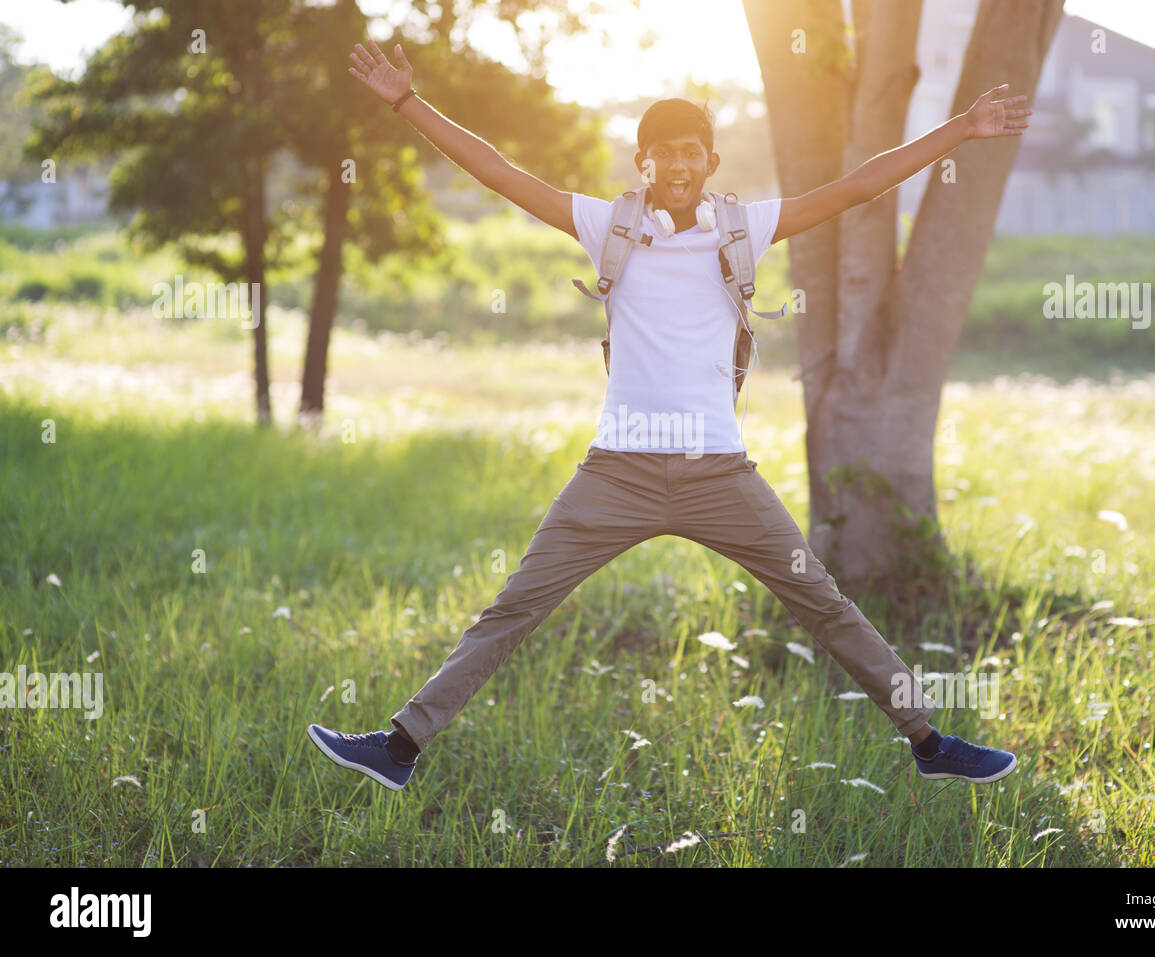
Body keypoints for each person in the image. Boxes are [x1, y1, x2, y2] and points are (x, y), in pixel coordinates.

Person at [308, 38, 1032, 792]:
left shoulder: (741, 228)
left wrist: (963, 128)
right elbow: (500, 172)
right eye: (662, 154)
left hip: (720, 473)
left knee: (823, 599)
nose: (678, 166)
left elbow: (855, 188)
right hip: (615, 473)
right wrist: (405, 102)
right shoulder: (607, 227)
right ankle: (398, 747)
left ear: (711, 162)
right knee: (514, 606)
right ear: (643, 164)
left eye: (692, 152)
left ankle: (928, 739)